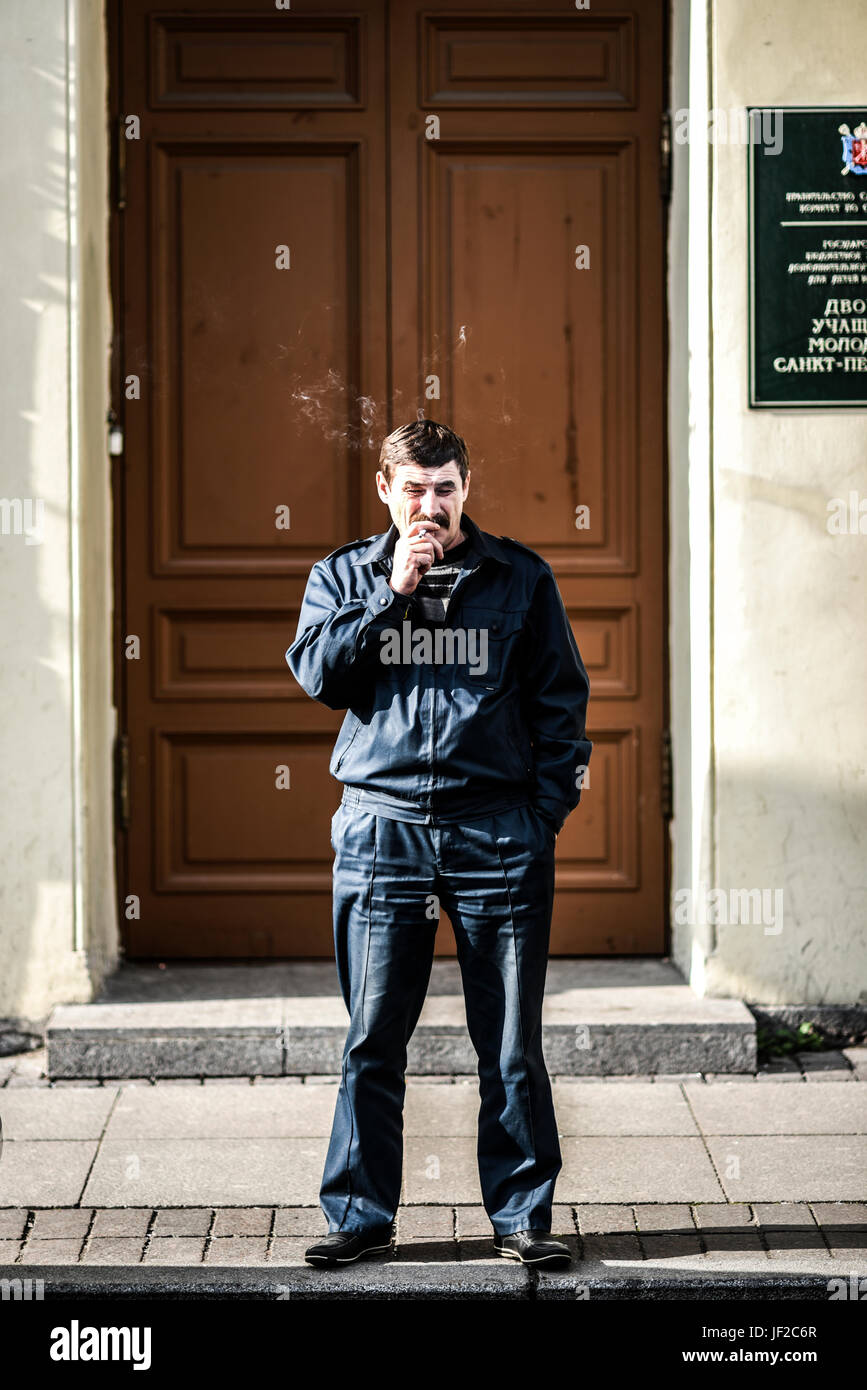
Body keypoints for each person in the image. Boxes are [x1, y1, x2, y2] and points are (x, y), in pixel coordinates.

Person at [286, 418, 592, 1269]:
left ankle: (522, 1217)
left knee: (509, 1041)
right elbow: (319, 678)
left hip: (495, 833)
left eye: (446, 488)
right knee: (373, 1037)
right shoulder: (343, 576)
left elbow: (560, 705)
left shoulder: (519, 578)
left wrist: (541, 815)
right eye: (414, 489)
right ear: (385, 490)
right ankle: (359, 1216)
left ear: (467, 486)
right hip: (382, 830)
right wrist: (391, 590)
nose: (431, 504)